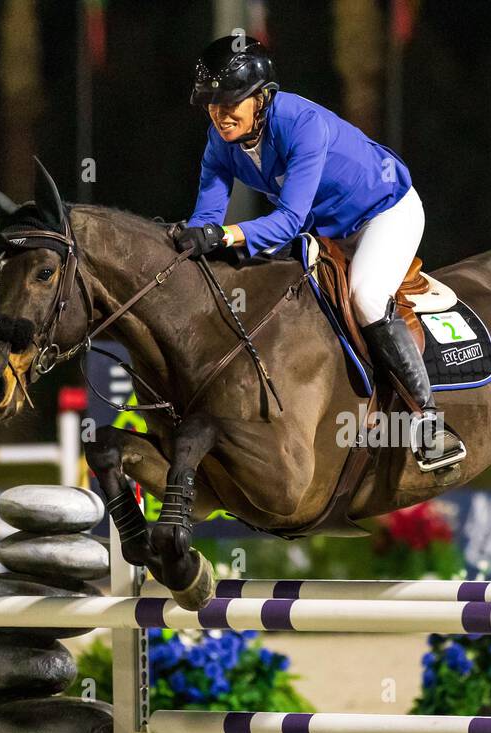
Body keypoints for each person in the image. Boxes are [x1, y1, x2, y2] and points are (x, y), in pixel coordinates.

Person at [176, 35, 465, 472]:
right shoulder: (220, 143)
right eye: (211, 104)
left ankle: (428, 421)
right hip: (328, 230)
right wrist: (187, 239)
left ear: (261, 98)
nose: (220, 114)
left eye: (231, 102)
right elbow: (206, 219)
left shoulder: (302, 124)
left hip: (385, 212)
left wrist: (223, 235)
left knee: (367, 296)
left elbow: (287, 221)